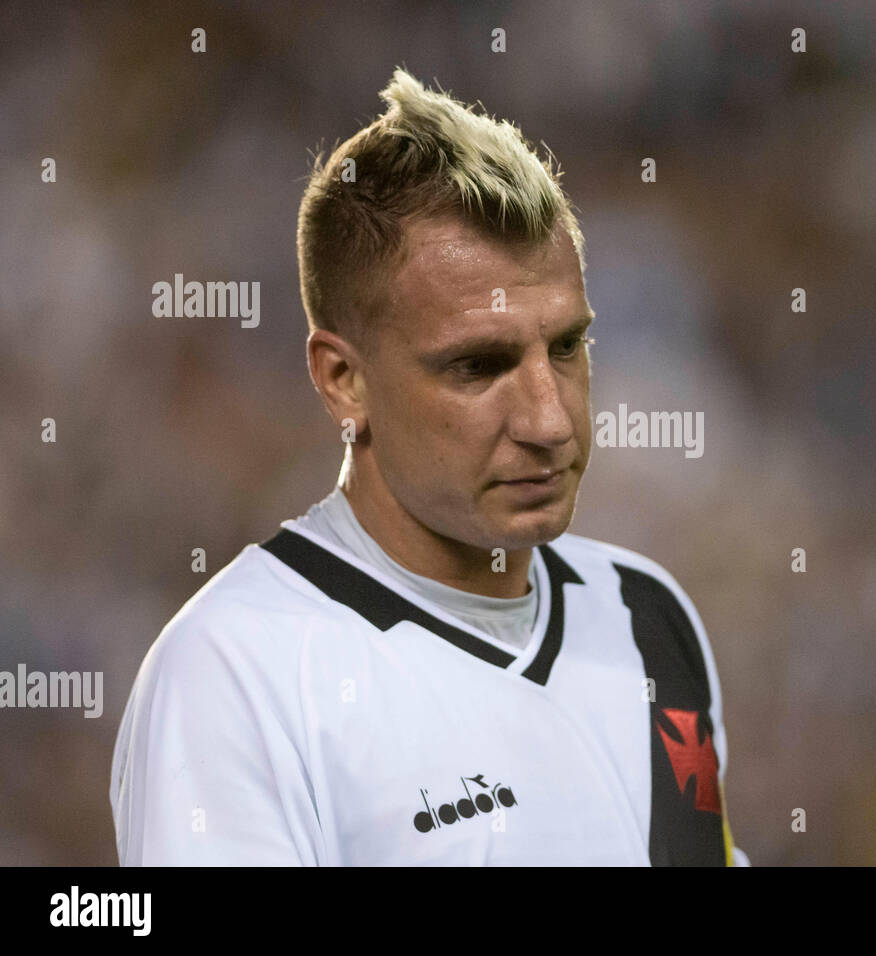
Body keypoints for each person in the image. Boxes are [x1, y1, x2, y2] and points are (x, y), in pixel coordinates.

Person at [109, 68, 747, 866]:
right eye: (479, 366)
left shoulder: (649, 619)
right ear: (344, 380)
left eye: (566, 346)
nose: (550, 420)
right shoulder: (233, 674)